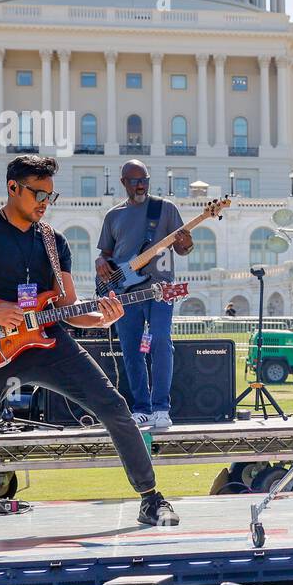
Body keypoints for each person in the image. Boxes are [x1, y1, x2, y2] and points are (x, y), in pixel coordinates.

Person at [0, 156, 178, 536]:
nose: (44, 202)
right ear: (13, 188)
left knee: (115, 407)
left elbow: (70, 309)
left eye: (50, 196)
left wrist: (101, 317)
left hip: (47, 342)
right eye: (38, 193)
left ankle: (151, 498)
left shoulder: (54, 242)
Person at [96, 161, 193, 432]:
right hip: (125, 293)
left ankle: (161, 407)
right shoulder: (113, 216)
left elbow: (184, 249)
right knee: (131, 350)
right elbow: (106, 253)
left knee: (161, 341)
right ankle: (142, 408)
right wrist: (99, 262)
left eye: (145, 180)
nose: (140, 185)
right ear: (124, 182)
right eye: (134, 181)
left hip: (161, 290)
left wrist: (185, 242)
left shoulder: (165, 209)